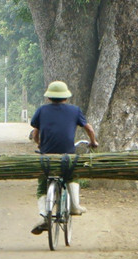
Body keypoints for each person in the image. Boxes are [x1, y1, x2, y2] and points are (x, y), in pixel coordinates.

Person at [28, 80, 98, 234]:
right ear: (66, 97)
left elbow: (35, 133)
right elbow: (90, 129)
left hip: (47, 156)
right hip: (68, 156)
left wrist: (39, 144)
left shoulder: (41, 110)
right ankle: (74, 206)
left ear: (49, 98)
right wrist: (93, 142)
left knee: (42, 185)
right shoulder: (75, 110)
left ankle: (44, 216)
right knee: (72, 175)